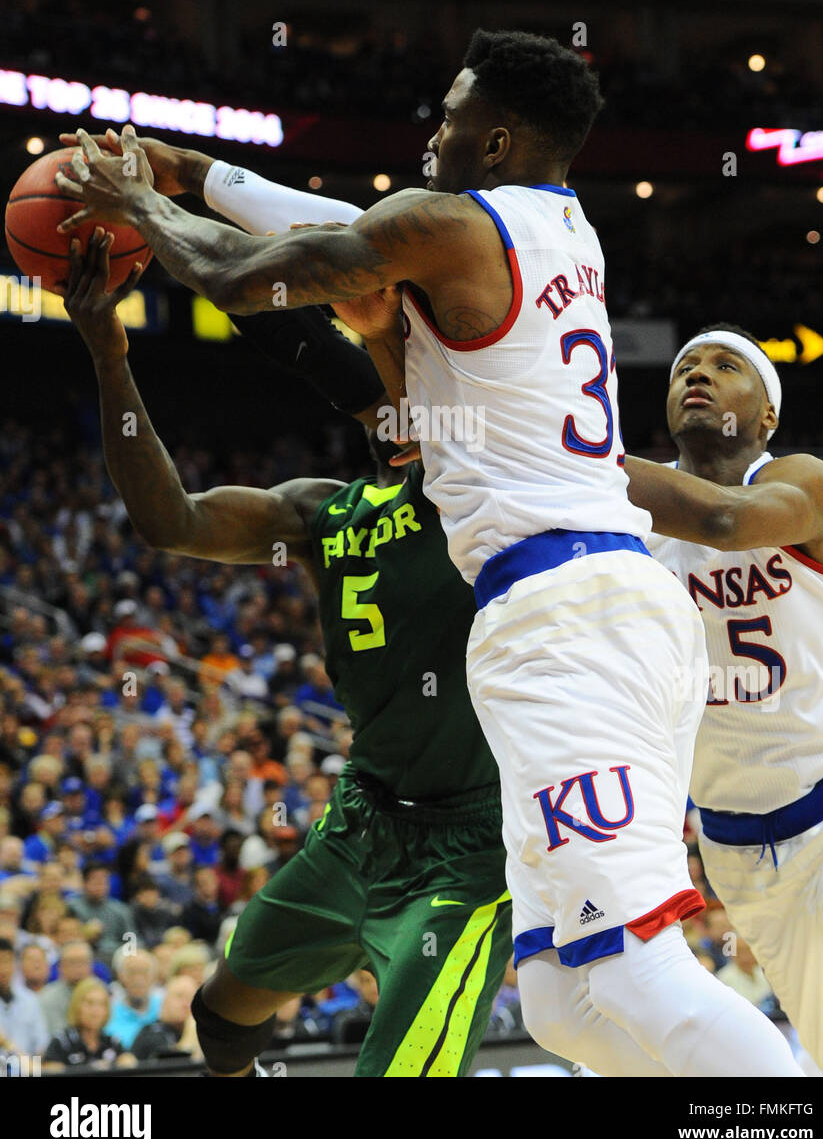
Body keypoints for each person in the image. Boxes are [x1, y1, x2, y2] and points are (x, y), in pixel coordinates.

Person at [57, 30, 803, 1076]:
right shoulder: (553, 229)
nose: (429, 132)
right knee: (560, 1000)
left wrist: (139, 205)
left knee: (633, 972)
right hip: (586, 612)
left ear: (491, 139)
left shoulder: (447, 231)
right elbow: (346, 232)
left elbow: (253, 276)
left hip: (566, 616)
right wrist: (191, 173)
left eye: (447, 115)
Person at [60, 236, 510, 1079]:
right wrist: (110, 353)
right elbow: (170, 522)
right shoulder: (321, 515)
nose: (394, 407)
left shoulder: (495, 503)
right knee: (220, 1015)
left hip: (472, 846)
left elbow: (335, 365)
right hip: (361, 820)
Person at [622, 324, 823, 1075]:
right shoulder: (630, 527)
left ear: (765, 415)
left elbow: (724, 522)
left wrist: (564, 453)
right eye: (684, 368)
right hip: (734, 849)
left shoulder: (802, 479)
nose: (697, 375)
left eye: (725, 367)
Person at [43, 976, 134, 1071]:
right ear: (77, 1006)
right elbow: (51, 1070)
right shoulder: (62, 1042)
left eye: (101, 1004)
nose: (95, 1011)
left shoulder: (112, 1042)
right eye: (90, 1003)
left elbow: (130, 1063)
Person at [129, 974, 199, 1060]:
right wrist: (190, 1034)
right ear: (164, 1001)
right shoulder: (150, 1034)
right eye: (179, 996)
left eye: (191, 998)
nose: (186, 1004)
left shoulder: (201, 1033)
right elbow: (175, 1068)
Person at [0, 937, 48, 1056]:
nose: (3, 968)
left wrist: (34, 1069)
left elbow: (41, 1045)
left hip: (28, 1070)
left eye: (6, 961)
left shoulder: (30, 1000)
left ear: (15, 964)